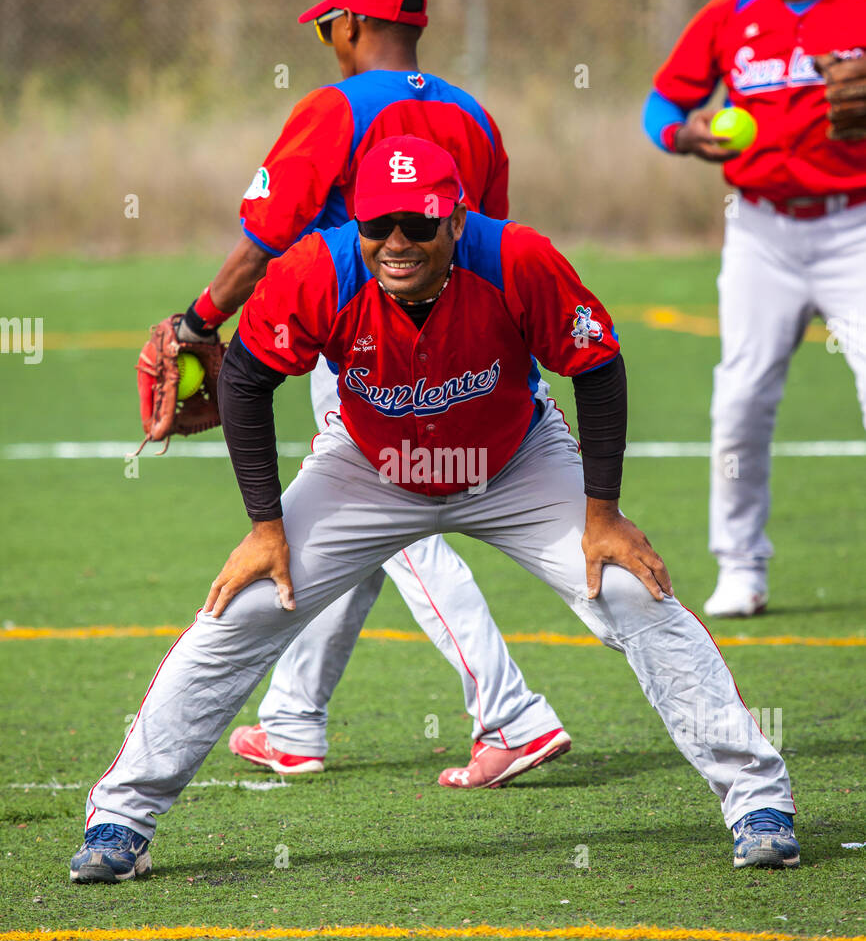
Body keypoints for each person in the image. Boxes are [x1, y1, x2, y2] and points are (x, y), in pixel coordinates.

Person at [71, 136, 799, 884]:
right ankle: (121, 820)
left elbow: (598, 366)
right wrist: (265, 527)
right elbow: (249, 379)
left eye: (418, 224)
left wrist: (602, 514)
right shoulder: (318, 270)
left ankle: (758, 803)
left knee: (627, 590)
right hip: (370, 469)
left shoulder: (518, 259)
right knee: (247, 605)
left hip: (514, 460)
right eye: (378, 222)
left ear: (455, 218)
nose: (396, 241)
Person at [155, 0, 568, 780]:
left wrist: (197, 320)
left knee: (403, 530)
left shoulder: (336, 106)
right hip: (467, 346)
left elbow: (265, 241)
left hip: (357, 341)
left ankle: (512, 714)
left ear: (349, 25)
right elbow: (487, 245)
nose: (328, 42)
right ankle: (295, 719)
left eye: (327, 28)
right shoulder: (474, 115)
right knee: (361, 538)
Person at [643, 0, 866, 617]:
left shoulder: (862, 3)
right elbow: (661, 105)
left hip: (856, 227)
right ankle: (740, 565)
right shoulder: (731, 15)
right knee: (739, 400)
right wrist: (685, 133)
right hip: (761, 231)